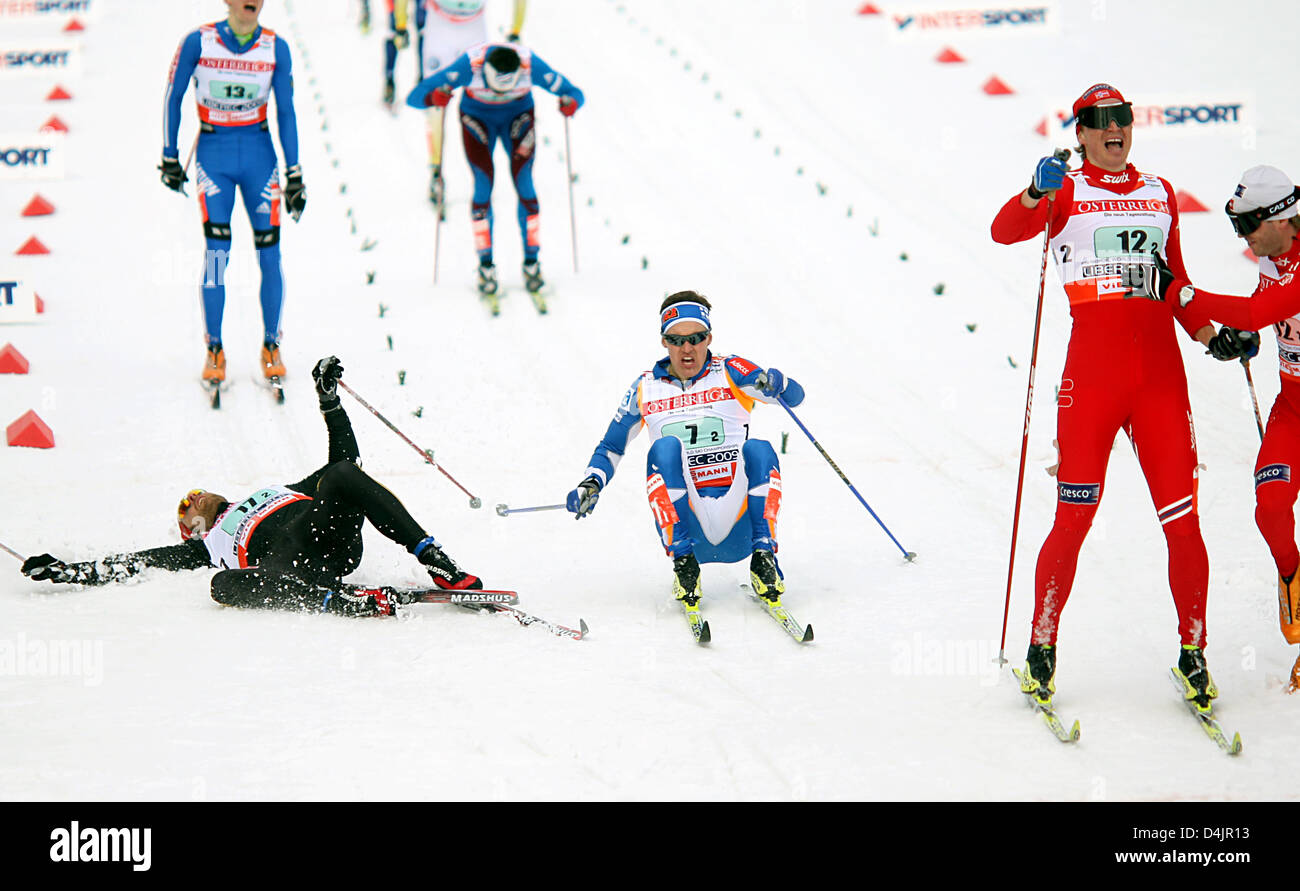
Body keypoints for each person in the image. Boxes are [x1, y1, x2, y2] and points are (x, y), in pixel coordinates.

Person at [990, 83, 1222, 713]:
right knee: (1074, 517)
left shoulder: (1160, 193)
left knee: (1184, 523)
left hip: (1160, 382)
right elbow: (1003, 231)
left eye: (1123, 119)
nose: (1115, 129)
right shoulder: (1065, 188)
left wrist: (1211, 333)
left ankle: (1194, 653)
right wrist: (1036, 191)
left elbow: (1178, 284)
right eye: (1100, 121)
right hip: (1090, 381)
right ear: (1082, 132)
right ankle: (1042, 647)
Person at [19, 357, 484, 617]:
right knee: (223, 586)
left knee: (341, 475)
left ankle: (435, 560)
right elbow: (138, 562)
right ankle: (336, 601)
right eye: (185, 507)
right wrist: (69, 571)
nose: (193, 497)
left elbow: (348, 463)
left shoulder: (274, 491)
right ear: (193, 531)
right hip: (286, 568)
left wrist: (329, 402)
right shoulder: (208, 546)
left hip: (324, 539)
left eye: (193, 492)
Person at [564, 291, 804, 615]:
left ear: (709, 337)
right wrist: (591, 483)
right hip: (686, 524)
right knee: (664, 449)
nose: (687, 349)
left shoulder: (731, 372)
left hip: (739, 521)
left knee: (759, 448)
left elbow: (795, 398)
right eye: (676, 340)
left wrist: (778, 381)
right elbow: (611, 446)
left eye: (696, 338)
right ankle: (685, 567)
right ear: (664, 341)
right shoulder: (645, 387)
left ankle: (764, 559)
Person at [1159, 165, 1300, 691]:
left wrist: (1179, 293)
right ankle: (1293, 578)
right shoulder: (1274, 253)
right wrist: (1243, 338)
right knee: (1270, 504)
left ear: (1282, 218)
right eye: (1236, 226)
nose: (1243, 239)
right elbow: (1267, 317)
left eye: (1247, 226)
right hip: (1293, 408)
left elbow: (1261, 307)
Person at [160, 0, 307, 387]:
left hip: (259, 156)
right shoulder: (198, 41)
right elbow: (173, 97)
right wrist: (169, 155)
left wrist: (294, 173)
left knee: (270, 253)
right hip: (214, 155)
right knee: (215, 255)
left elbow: (286, 112)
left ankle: (271, 345)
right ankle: (214, 349)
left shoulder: (275, 47)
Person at [406, 39, 582, 299]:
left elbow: (574, 91)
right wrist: (434, 96)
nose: (501, 91)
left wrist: (570, 102)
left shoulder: (530, 65)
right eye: (496, 85)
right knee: (482, 184)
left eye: (508, 85)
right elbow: (415, 97)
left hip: (518, 117)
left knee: (524, 184)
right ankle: (485, 265)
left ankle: (532, 262)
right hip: (477, 118)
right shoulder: (470, 65)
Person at [415, 0, 527, 213]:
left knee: (481, 99)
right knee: (437, 103)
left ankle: (484, 175)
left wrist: (516, 29)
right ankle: (436, 171)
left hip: (472, 29)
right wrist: (400, 25)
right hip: (440, 28)